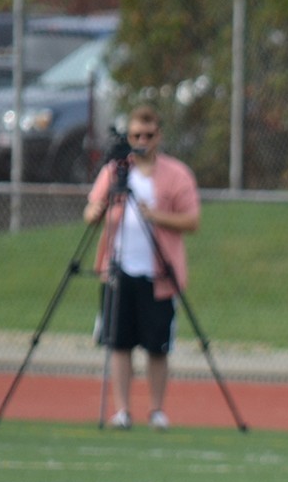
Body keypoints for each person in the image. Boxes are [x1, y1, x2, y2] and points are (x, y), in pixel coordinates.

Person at [84, 104, 201, 431]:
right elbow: (93, 208)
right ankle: (122, 410)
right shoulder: (115, 171)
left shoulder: (176, 174)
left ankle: (157, 410)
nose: (142, 141)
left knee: (156, 346)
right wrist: (97, 210)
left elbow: (192, 220)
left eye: (148, 135)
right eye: (136, 135)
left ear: (158, 136)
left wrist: (156, 216)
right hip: (118, 272)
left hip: (159, 274)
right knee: (118, 344)